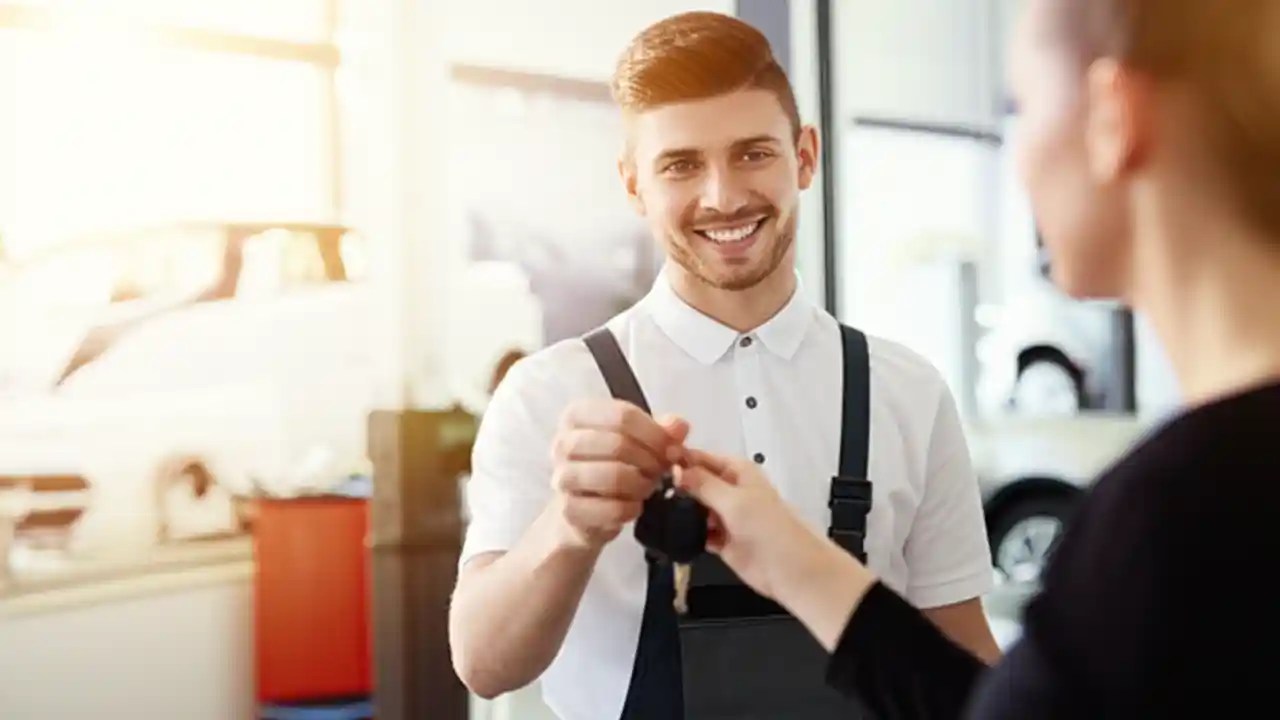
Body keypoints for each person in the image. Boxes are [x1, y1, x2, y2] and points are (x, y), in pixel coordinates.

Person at [668, 0, 1280, 717]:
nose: (1018, 162)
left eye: (1024, 105)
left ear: (1114, 116)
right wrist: (791, 561)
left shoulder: (1180, 517)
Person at [448, 11, 1000, 720]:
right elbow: (484, 666)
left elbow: (966, 659)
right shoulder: (550, 394)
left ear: (804, 155)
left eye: (752, 153)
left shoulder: (908, 393)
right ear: (633, 184)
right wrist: (571, 525)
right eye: (680, 165)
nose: (723, 196)